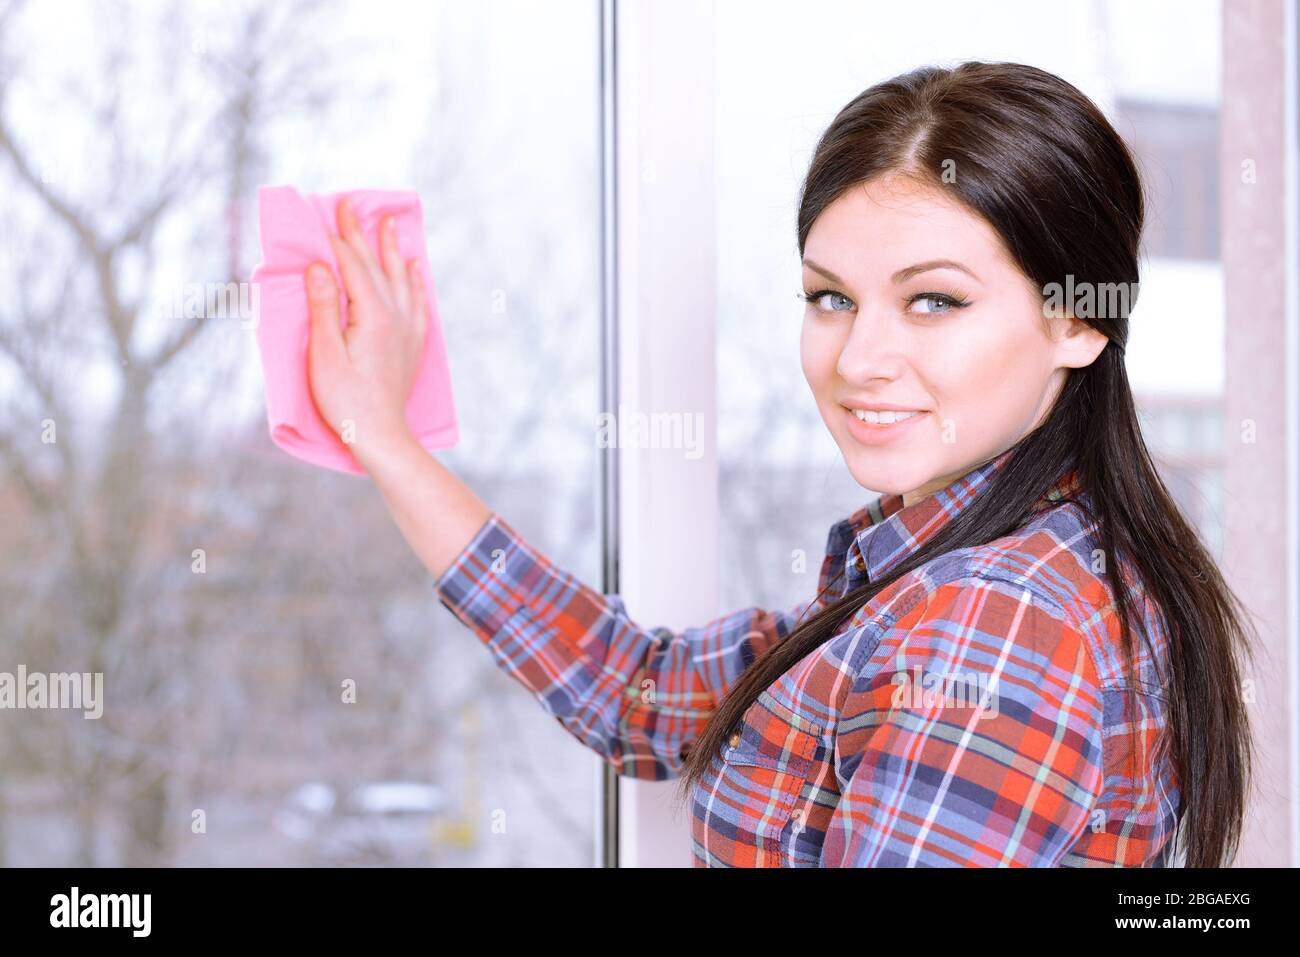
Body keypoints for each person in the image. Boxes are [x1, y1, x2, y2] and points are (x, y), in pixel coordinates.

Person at [300, 61, 1256, 868]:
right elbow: (638, 688)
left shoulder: (996, 619)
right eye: (831, 297)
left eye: (933, 301)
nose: (857, 358)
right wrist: (383, 435)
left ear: (1076, 320)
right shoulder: (960, 572)